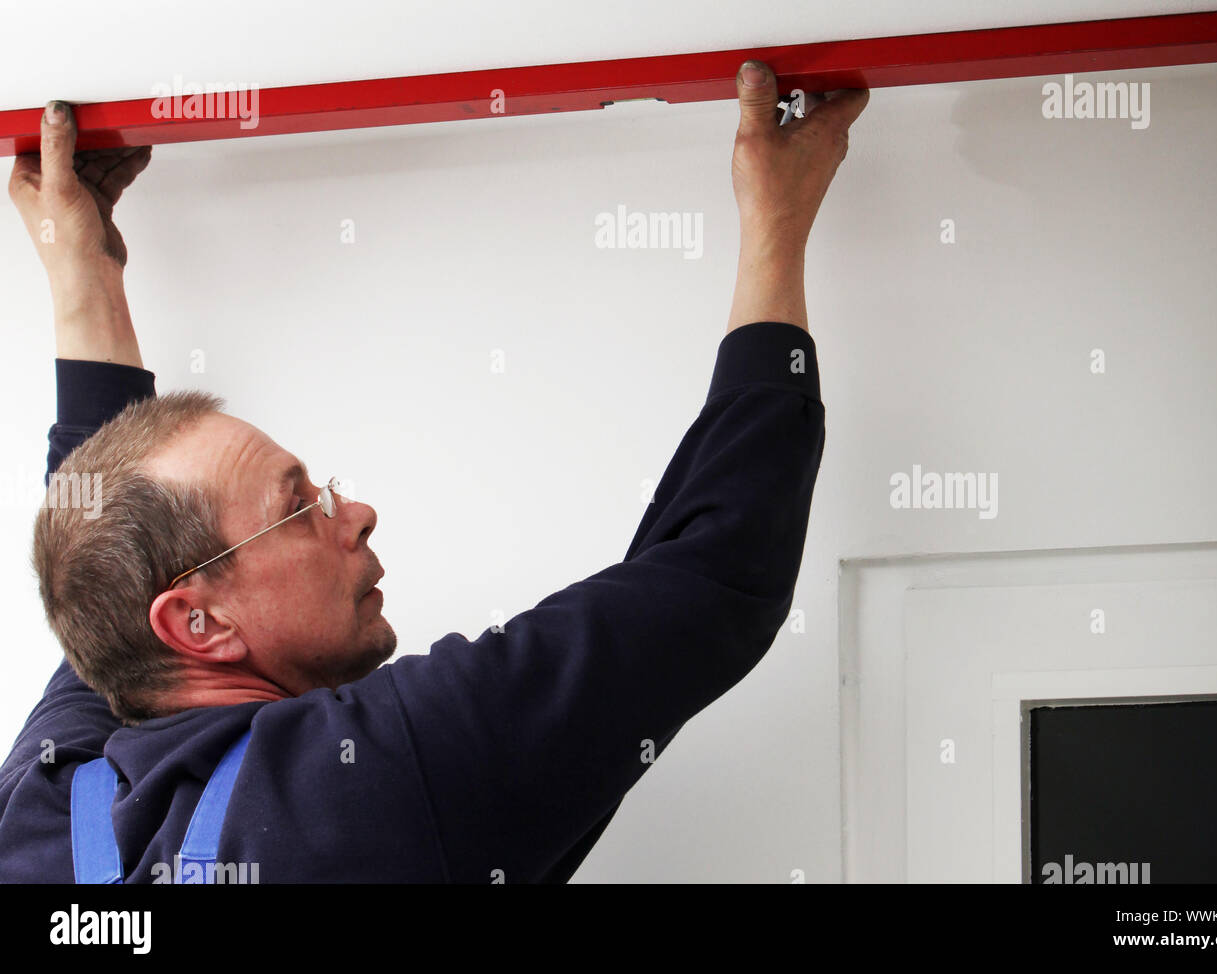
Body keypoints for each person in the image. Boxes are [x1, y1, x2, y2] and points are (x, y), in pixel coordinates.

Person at [0, 61, 868, 883]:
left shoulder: (42, 811)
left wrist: (84, 278)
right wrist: (777, 224)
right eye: (298, 508)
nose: (359, 512)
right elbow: (717, 573)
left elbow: (99, 553)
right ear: (198, 622)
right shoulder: (383, 771)